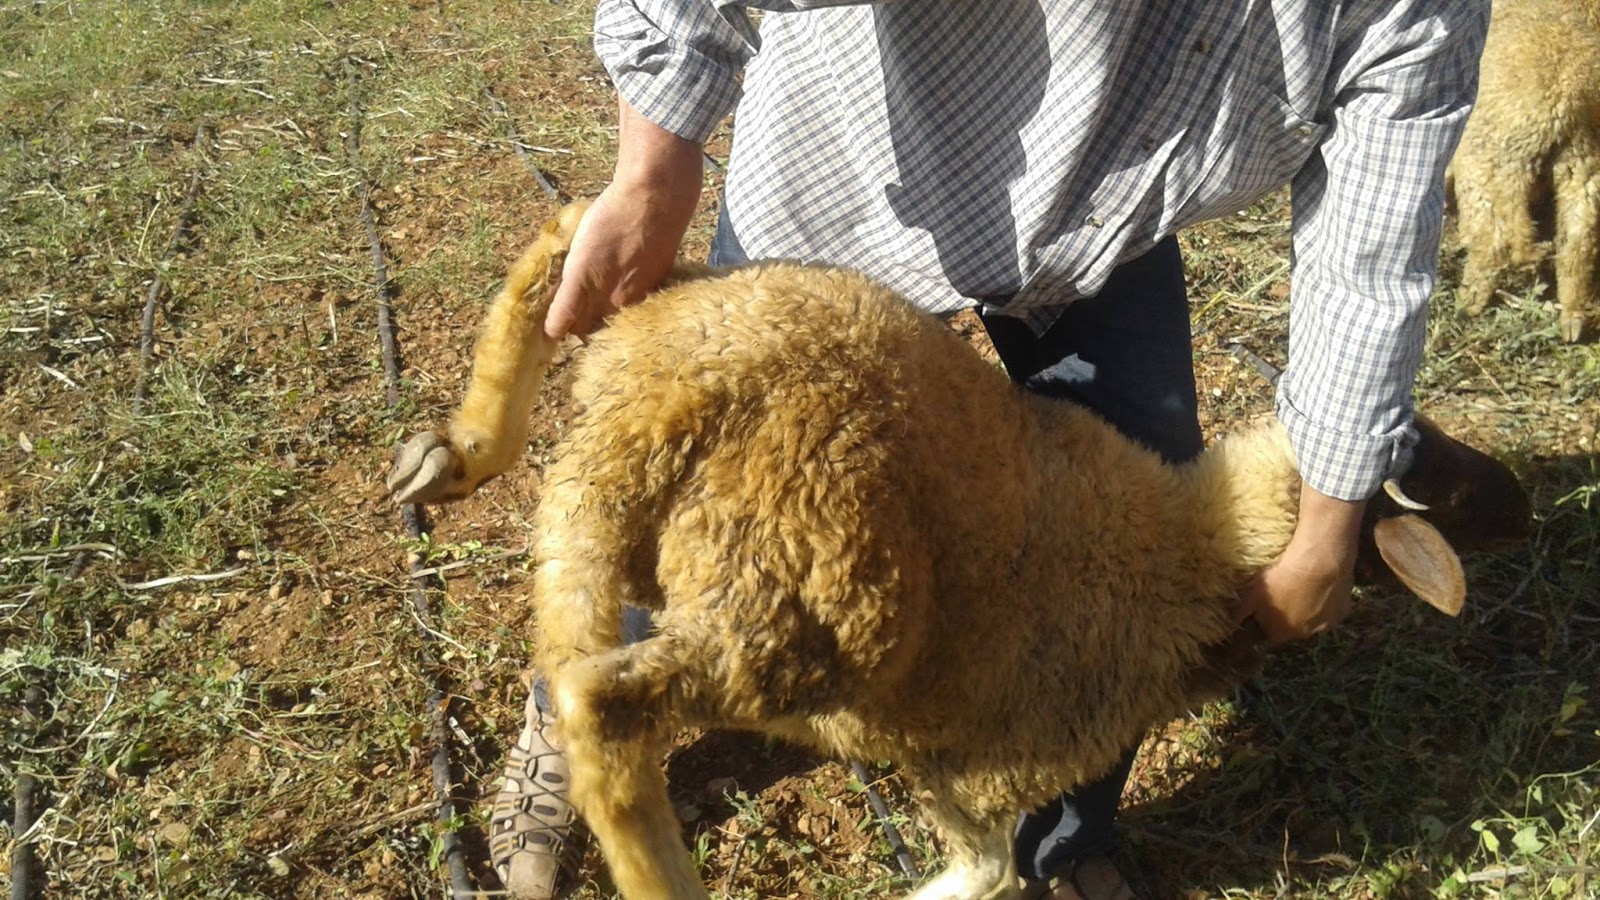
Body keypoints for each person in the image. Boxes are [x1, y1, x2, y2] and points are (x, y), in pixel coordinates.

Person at [488, 2, 1490, 898]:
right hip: (860, 159)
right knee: (735, 500)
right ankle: (575, 712)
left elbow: (1374, 237)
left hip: (1104, 225)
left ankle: (1049, 842)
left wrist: (1328, 521)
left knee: (1151, 567)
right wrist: (652, 167)